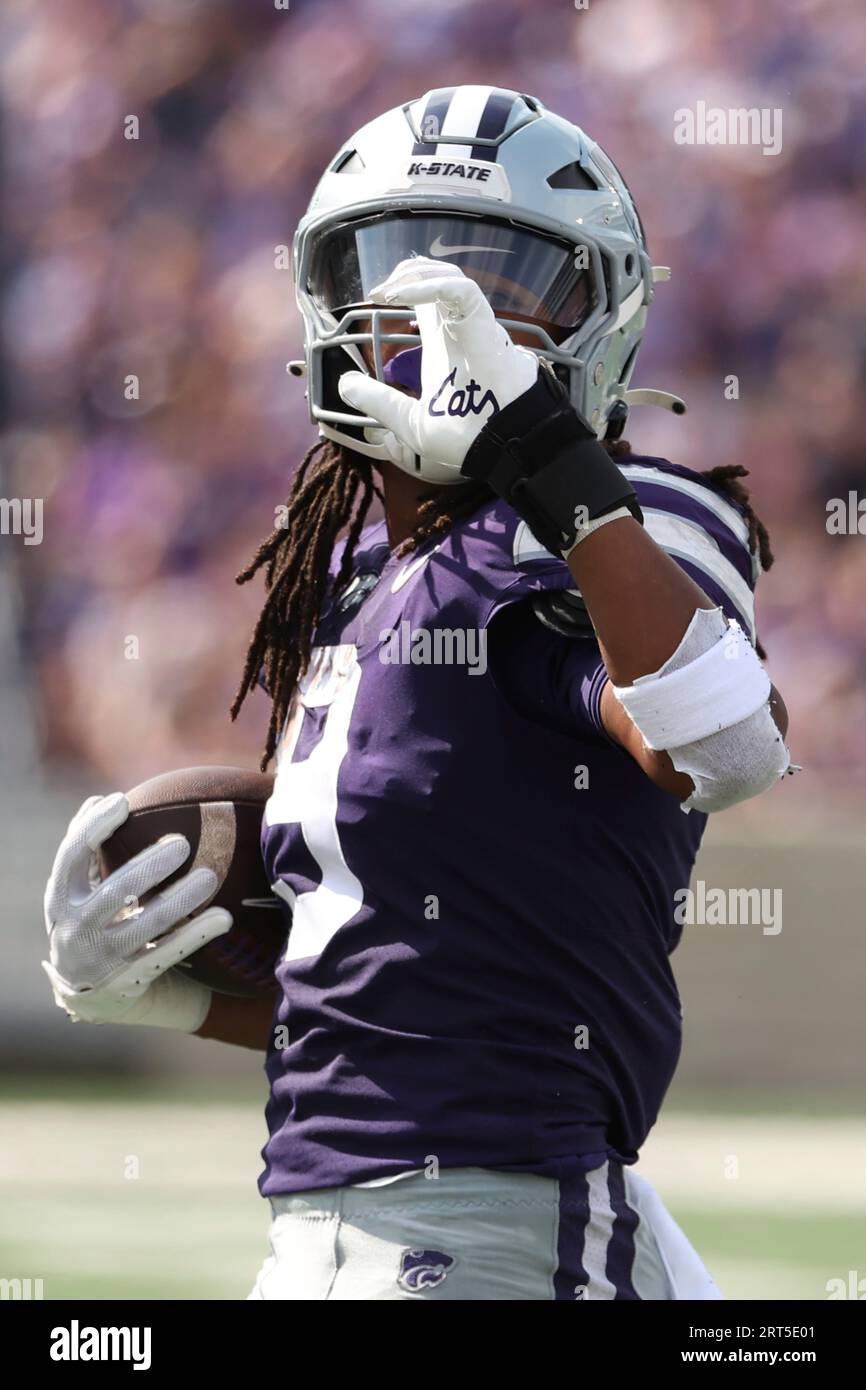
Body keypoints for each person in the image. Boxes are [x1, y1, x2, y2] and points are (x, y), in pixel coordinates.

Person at [43, 86, 791, 1300]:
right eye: (392, 274)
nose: (446, 318)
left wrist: (548, 456)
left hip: (503, 1220)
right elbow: (397, 1005)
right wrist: (164, 992)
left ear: (600, 312)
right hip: (356, 1225)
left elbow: (723, 745)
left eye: (508, 288)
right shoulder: (351, 580)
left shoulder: (633, 513)